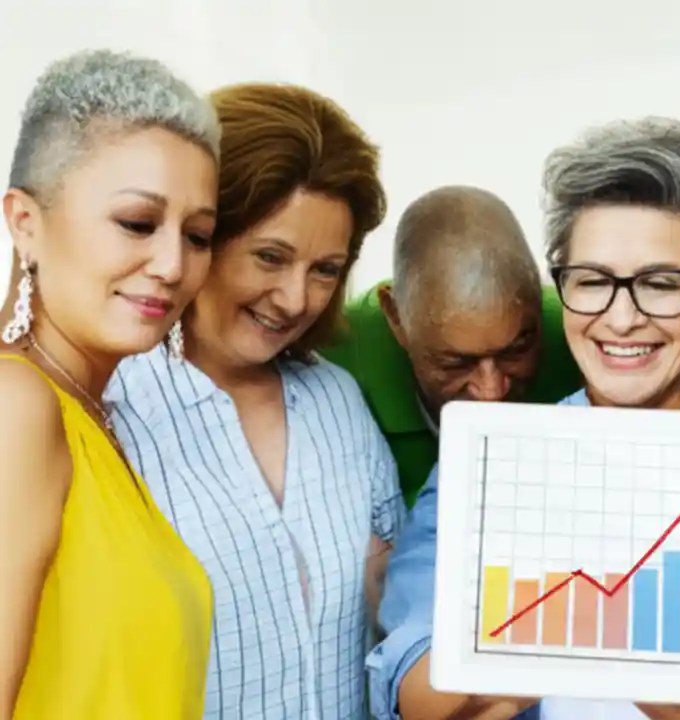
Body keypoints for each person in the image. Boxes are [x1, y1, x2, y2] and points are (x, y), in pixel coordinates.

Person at [367, 117, 680, 720]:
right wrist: (534, 642)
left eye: (660, 284)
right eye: (593, 281)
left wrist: (643, 658)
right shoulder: (485, 459)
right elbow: (405, 674)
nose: (621, 320)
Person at [104, 82, 404, 720]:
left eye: (326, 269)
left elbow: (390, 601)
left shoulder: (337, 402)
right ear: (200, 237)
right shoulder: (104, 407)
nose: (296, 298)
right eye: (270, 257)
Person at [0, 49, 220, 718]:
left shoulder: (94, 420)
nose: (172, 263)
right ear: (25, 223)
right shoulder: (18, 410)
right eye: (136, 223)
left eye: (200, 234)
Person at [321, 185, 581, 507]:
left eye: (516, 350)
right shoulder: (329, 359)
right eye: (455, 362)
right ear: (395, 316)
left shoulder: (582, 336)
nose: (491, 392)